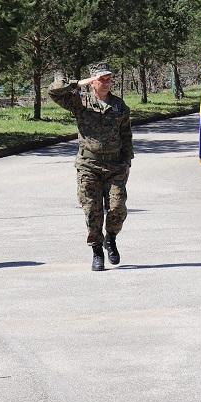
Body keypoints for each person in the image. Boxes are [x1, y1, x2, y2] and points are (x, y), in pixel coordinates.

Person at [49, 63, 134, 271]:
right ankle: (97, 250)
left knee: (117, 208)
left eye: (109, 78)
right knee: (92, 210)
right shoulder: (80, 101)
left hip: (115, 166)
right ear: (92, 81)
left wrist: (126, 162)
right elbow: (54, 91)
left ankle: (111, 238)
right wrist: (78, 83)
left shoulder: (119, 105)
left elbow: (126, 135)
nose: (107, 82)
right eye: (102, 79)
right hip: (89, 165)